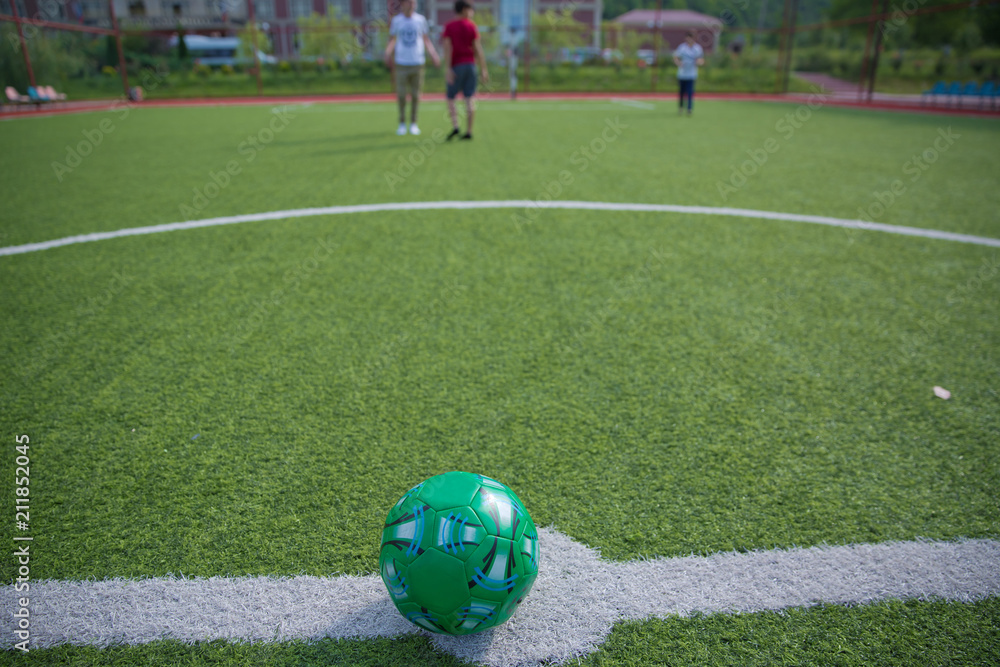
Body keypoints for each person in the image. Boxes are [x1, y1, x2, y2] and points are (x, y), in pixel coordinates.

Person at [385, 0, 440, 136]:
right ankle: (402, 123)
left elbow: (426, 39)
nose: (412, 5)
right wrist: (387, 53)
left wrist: (433, 54)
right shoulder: (397, 21)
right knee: (402, 95)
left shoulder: (420, 20)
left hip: (417, 62)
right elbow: (392, 39)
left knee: (416, 95)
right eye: (409, 2)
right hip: (401, 63)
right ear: (403, 4)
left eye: (414, 2)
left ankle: (414, 123)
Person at [442, 0, 488, 140]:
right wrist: (483, 69)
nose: (472, 12)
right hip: (471, 66)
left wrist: (448, 68)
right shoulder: (471, 26)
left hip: (457, 66)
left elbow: (447, 49)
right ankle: (468, 131)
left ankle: (456, 127)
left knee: (451, 98)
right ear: (463, 10)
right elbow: (478, 49)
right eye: (470, 9)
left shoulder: (449, 26)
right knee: (469, 98)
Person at [672, 31, 705, 116]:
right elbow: (676, 57)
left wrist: (699, 62)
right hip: (682, 73)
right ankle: (681, 108)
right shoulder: (682, 47)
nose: (689, 39)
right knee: (682, 92)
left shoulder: (697, 48)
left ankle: (689, 109)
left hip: (691, 74)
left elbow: (701, 60)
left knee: (690, 92)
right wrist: (679, 63)